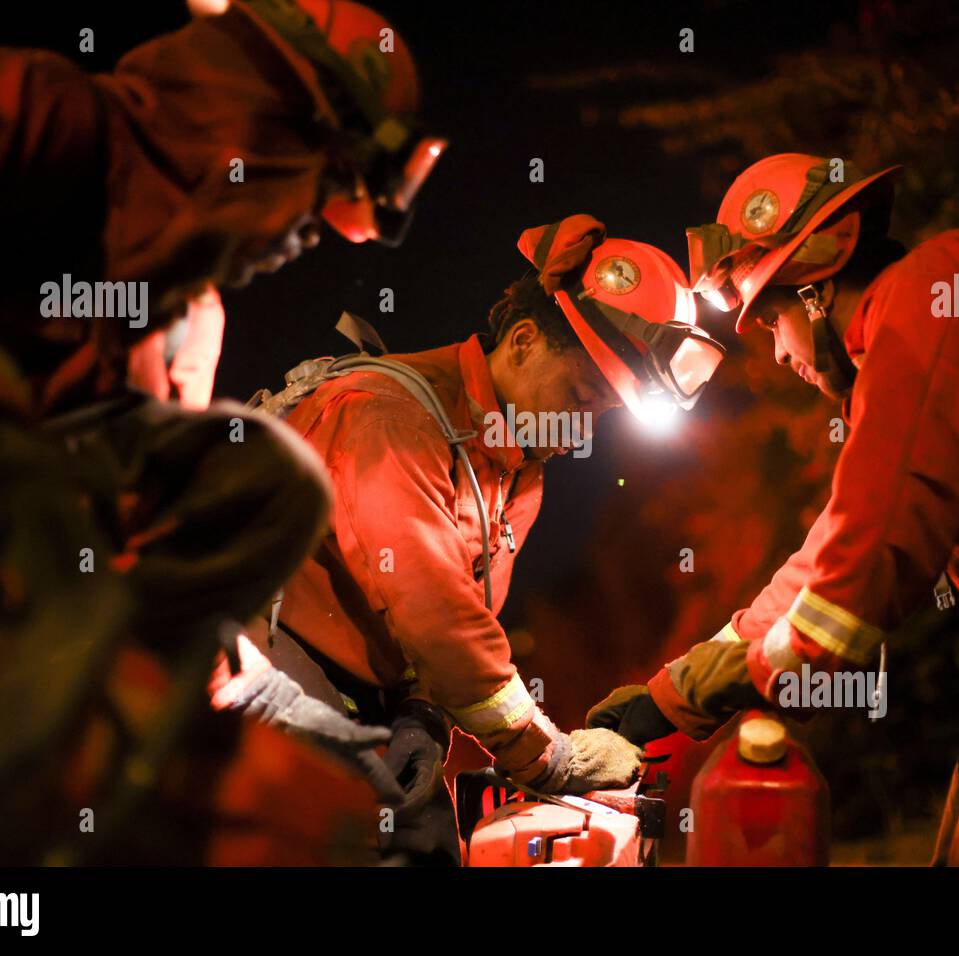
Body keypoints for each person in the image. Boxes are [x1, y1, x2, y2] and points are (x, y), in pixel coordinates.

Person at [0, 0, 444, 863]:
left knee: (266, 484)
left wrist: (312, 728)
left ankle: (16, 769)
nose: (301, 245)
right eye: (310, 209)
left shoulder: (166, 329)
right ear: (261, 127)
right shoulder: (43, 114)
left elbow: (134, 570)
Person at [589, 153, 959, 864]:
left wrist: (753, 674)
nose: (778, 353)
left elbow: (869, 553)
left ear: (815, 291)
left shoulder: (934, 289)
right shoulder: (924, 325)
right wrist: (670, 697)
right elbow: (832, 552)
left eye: (773, 316)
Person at [212, 214, 727, 864]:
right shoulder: (391, 419)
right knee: (351, 835)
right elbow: (437, 618)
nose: (584, 429)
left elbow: (456, 622)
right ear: (521, 342)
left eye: (605, 414)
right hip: (248, 655)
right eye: (582, 396)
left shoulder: (517, 470)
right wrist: (551, 757)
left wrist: (421, 713)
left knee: (425, 847)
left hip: (349, 682)